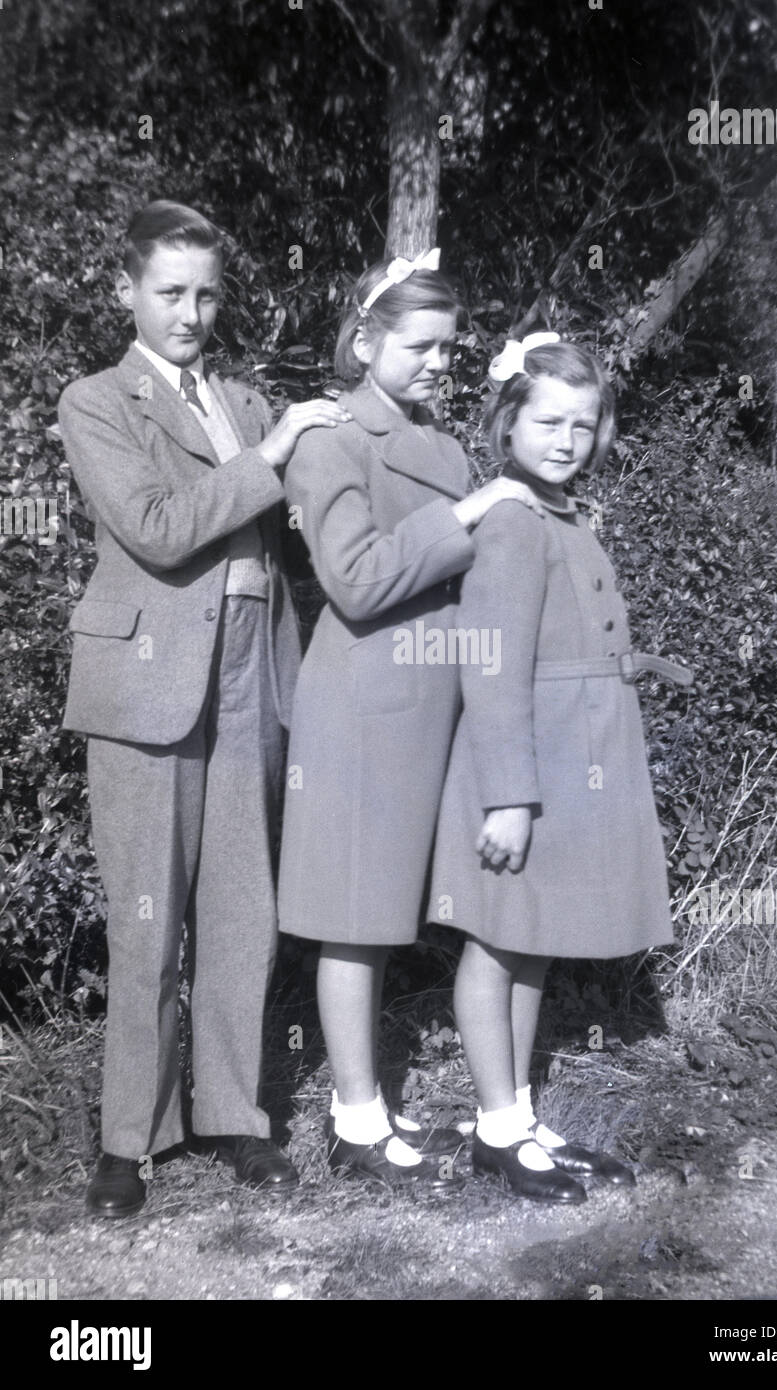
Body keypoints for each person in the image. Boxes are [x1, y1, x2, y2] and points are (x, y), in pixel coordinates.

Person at [58, 200, 350, 1217]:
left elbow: (312, 516)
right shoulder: (95, 399)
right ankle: (128, 1141)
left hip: (249, 671)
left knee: (240, 905)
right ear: (126, 291)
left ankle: (233, 1115)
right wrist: (271, 457)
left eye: (207, 292)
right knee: (148, 916)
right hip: (148, 676)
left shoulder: (245, 396)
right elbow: (157, 527)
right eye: (171, 292)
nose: (191, 312)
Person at [278, 251, 542, 1187]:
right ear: (365, 342)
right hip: (364, 704)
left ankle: (388, 1114)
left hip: (438, 703)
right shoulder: (329, 437)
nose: (440, 364)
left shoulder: (442, 443)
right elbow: (354, 581)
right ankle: (355, 1124)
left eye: (451, 349)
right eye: (421, 345)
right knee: (354, 914)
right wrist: (476, 507)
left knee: (390, 911)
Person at [427, 334, 693, 1203]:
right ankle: (498, 1128)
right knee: (498, 939)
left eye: (584, 424)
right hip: (524, 759)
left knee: (531, 942)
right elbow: (490, 665)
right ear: (508, 424)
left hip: (573, 748)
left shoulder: (562, 513)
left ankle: (520, 1115)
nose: (567, 439)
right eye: (548, 421)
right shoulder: (510, 520)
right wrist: (509, 794)